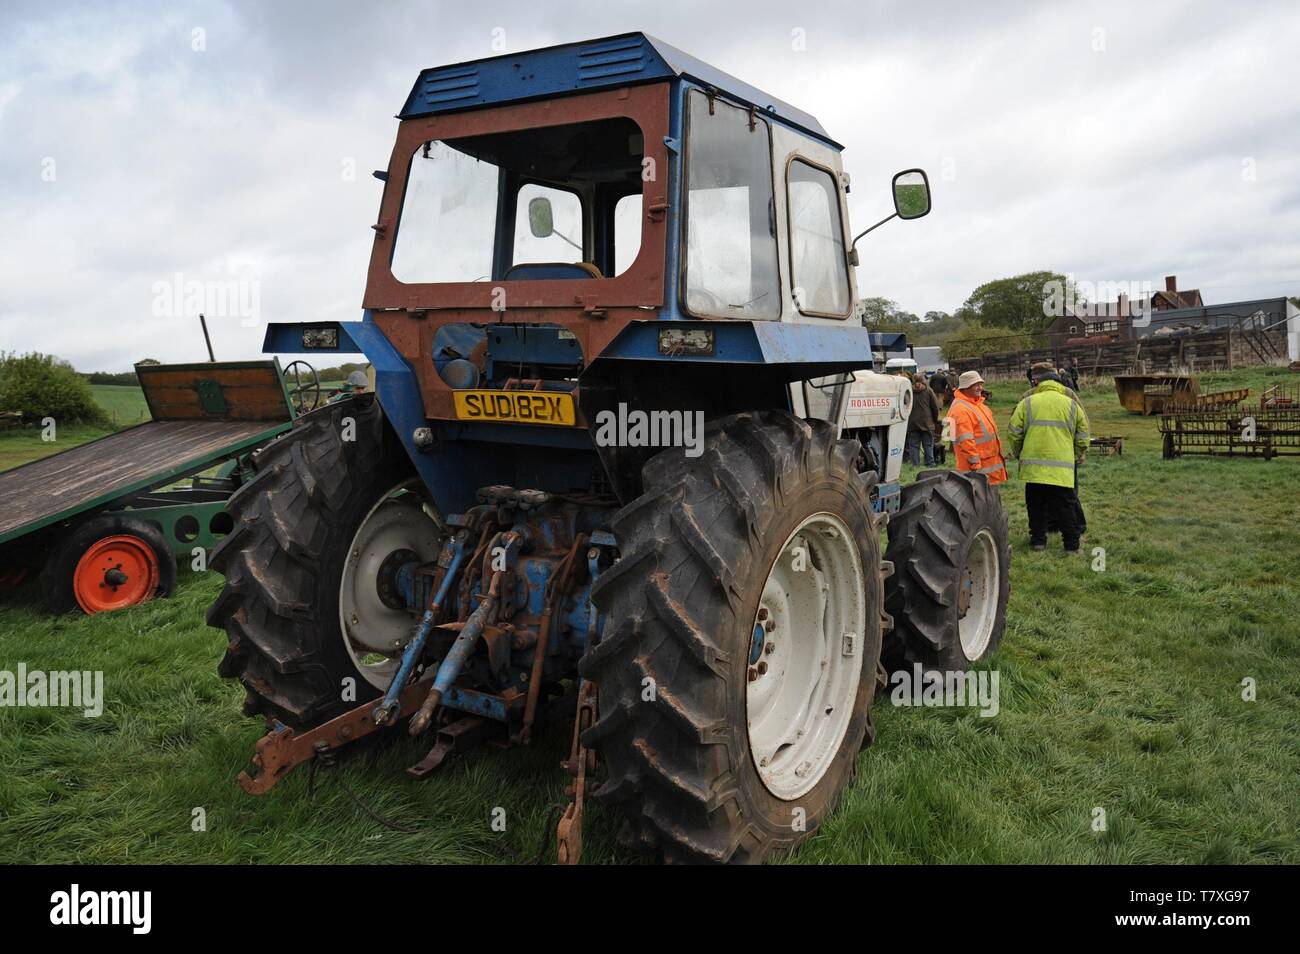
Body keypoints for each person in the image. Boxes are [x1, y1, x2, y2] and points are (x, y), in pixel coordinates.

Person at [1008, 363, 1091, 553]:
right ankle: (1071, 546)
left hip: (1033, 467)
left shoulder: (1027, 401)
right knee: (1066, 507)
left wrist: (1019, 452)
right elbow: (1083, 433)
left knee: (1036, 506)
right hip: (1062, 466)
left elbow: (1014, 432)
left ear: (1038, 382)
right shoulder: (1070, 402)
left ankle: (1038, 542)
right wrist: (1077, 453)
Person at [945, 370, 1007, 484]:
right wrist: (975, 464)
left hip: (989, 467)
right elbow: (965, 441)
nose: (980, 388)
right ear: (966, 387)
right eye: (976, 385)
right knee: (980, 499)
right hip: (978, 470)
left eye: (980, 384)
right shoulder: (960, 410)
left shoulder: (978, 405)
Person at [905, 373, 941, 466]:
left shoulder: (909, 391)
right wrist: (935, 419)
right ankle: (930, 463)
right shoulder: (929, 391)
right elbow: (935, 407)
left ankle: (915, 464)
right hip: (927, 422)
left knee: (913, 446)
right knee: (928, 445)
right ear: (924, 380)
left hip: (912, 422)